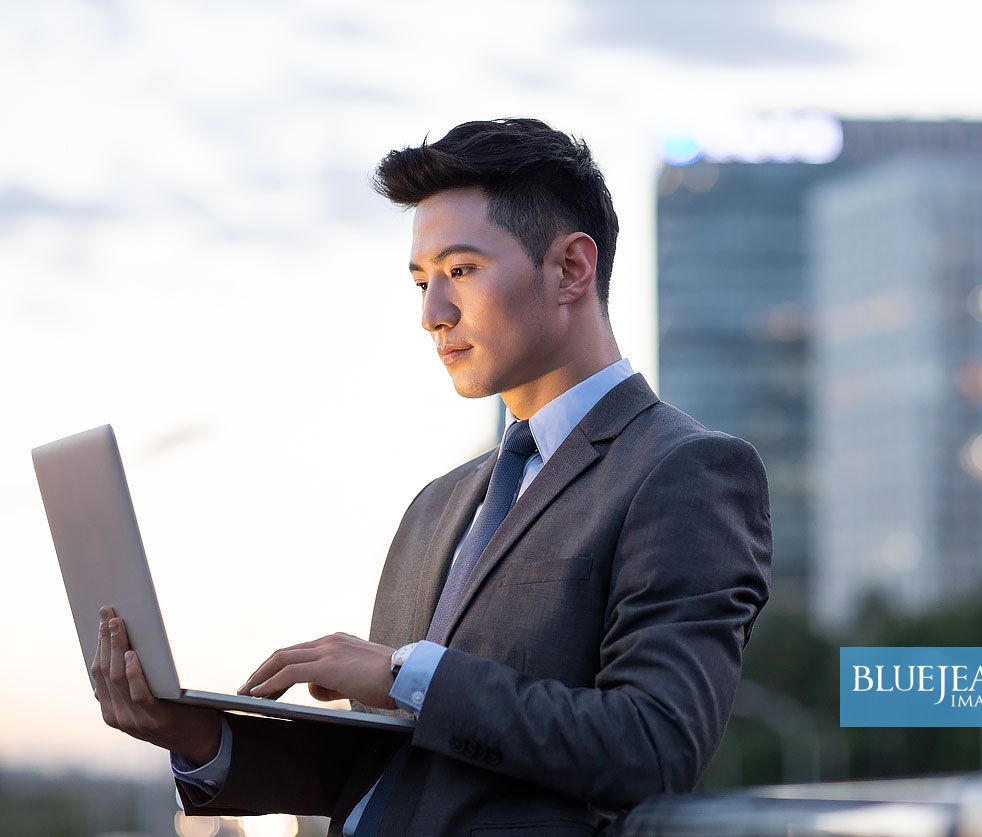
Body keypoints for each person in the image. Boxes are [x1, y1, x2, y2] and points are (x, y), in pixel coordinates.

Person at [92, 117, 772, 836]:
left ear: (572, 267)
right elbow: (399, 766)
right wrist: (197, 736)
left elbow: (653, 746)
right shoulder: (438, 504)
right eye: (421, 280)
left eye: (460, 270)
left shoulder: (684, 470)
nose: (431, 314)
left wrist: (400, 672)